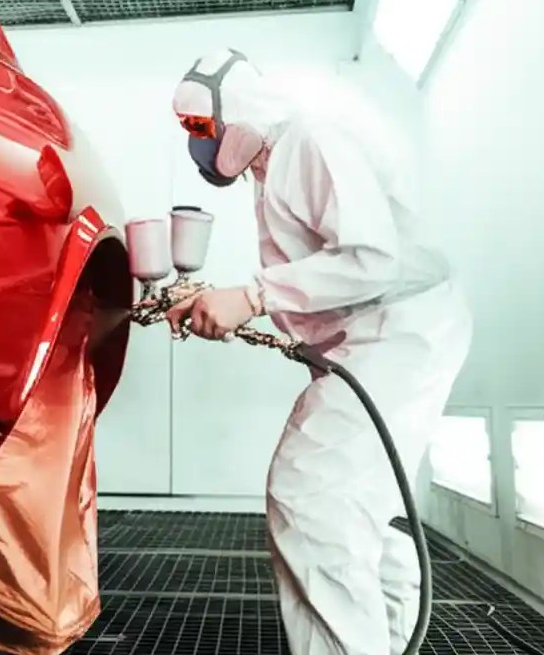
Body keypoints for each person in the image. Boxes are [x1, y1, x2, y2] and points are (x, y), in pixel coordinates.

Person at [164, 49, 474, 655]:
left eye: (200, 127)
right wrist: (227, 298)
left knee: (312, 495)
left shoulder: (308, 140)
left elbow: (371, 258)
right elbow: (321, 269)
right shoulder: (272, 164)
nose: (198, 143)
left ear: (240, 112)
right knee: (365, 508)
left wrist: (252, 296)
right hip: (379, 335)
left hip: (399, 330)